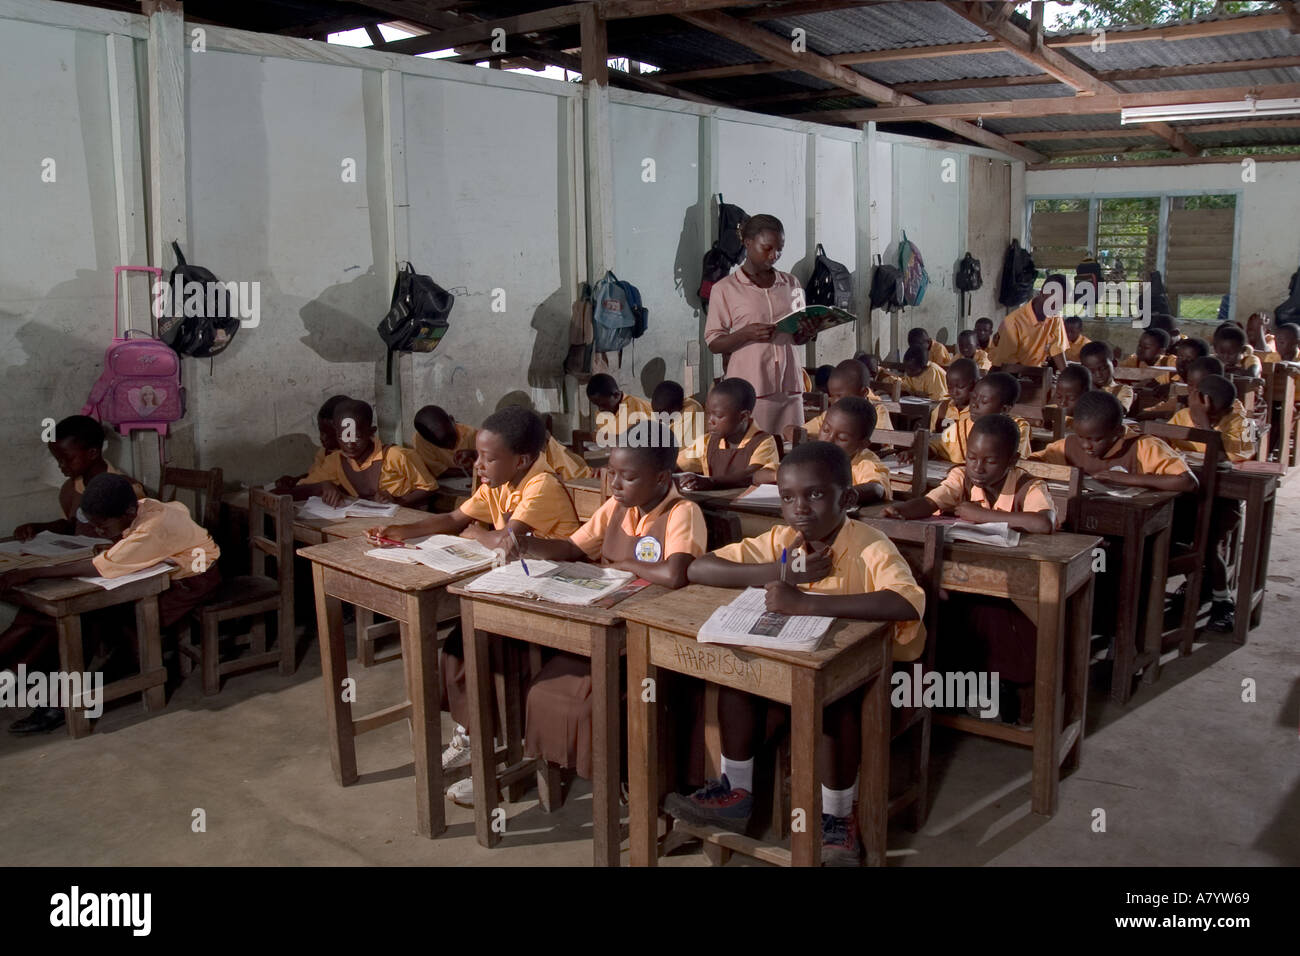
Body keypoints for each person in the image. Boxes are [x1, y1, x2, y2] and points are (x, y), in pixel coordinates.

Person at [670, 441, 924, 865]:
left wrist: (808, 604)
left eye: (815, 495)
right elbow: (699, 568)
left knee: (836, 704)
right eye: (788, 497)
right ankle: (737, 793)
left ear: (846, 498)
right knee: (738, 677)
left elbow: (906, 602)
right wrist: (780, 571)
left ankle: (838, 820)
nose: (799, 508)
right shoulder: (784, 541)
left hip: (868, 683)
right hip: (790, 674)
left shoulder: (869, 544)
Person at [370, 405, 580, 805]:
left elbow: (508, 542)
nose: (478, 465)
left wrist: (481, 534)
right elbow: (453, 519)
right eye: (479, 455)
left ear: (520, 459)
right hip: (516, 595)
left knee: (486, 655)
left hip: (555, 603)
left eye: (488, 457)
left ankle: (496, 759)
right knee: (456, 648)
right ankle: (474, 738)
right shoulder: (500, 484)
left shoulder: (541, 485)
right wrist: (400, 530)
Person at [515, 419, 706, 781]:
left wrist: (623, 564)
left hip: (650, 640)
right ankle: (576, 767)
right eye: (611, 473)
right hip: (607, 625)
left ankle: (621, 777)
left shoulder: (681, 512)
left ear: (662, 479)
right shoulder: (616, 508)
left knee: (592, 705)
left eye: (627, 477)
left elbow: (675, 574)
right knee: (543, 689)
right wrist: (526, 545)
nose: (615, 485)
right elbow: (572, 547)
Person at [0, 474, 222, 734]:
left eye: (103, 526)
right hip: (172, 574)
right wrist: (118, 543)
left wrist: (32, 572)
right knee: (93, 618)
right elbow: (157, 524)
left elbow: (100, 567)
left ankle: (66, 700)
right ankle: (63, 689)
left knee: (106, 622)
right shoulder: (143, 507)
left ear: (128, 510)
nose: (98, 532)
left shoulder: (154, 525)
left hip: (194, 582)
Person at [885, 415, 1057, 724]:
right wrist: (899, 512)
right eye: (972, 457)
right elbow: (931, 501)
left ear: (1012, 460)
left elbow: (1043, 522)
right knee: (940, 604)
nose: (977, 467)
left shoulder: (1027, 485)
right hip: (965, 574)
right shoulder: (962, 477)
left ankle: (1006, 688)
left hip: (1013, 584)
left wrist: (980, 515)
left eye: (989, 461)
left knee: (998, 616)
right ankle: (949, 692)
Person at [703, 214, 813, 436]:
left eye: (780, 249)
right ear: (748, 243)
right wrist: (745, 333)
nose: (775, 255)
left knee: (794, 451)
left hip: (789, 384)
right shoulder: (726, 288)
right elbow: (714, 343)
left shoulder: (791, 283)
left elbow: (798, 337)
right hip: (751, 388)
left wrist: (807, 332)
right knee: (756, 453)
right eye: (767, 248)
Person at [1031, 391, 1196, 494]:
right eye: (1081, 436)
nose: (1086, 445)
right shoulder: (1067, 446)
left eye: (1097, 440)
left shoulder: (1144, 446)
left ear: (1118, 431)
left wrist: (1126, 478)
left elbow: (1188, 482)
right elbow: (1030, 463)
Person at [13, 415, 144, 542]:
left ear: (92, 453)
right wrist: (38, 528)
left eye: (67, 459)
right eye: (58, 459)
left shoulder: (127, 489)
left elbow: (142, 533)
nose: (61, 465)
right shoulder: (69, 489)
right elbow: (72, 526)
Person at [292, 399, 437, 508]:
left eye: (357, 438)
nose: (349, 445)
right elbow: (297, 490)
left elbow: (430, 487)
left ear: (371, 432)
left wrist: (398, 500)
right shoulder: (336, 460)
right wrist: (323, 486)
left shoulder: (397, 456)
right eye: (343, 438)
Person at [676, 378, 780, 490]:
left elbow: (752, 475)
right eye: (708, 414)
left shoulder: (763, 442)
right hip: (715, 505)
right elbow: (676, 464)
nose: (710, 421)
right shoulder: (707, 442)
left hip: (749, 505)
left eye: (718, 416)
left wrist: (710, 481)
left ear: (743, 416)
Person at [816, 396, 891, 504]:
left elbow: (877, 488)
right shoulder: (812, 454)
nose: (829, 440)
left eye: (842, 438)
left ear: (862, 444)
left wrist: (840, 496)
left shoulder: (865, 462)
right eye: (826, 430)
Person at [988, 274, 1069, 373]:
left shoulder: (1055, 317)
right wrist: (1039, 374)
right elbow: (1005, 365)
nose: (1060, 308)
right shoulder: (1013, 322)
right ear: (1043, 293)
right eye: (1057, 302)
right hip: (1004, 374)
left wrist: (1067, 375)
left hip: (1032, 372)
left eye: (1063, 303)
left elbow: (1057, 349)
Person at [275, 394, 348, 490]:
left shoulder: (344, 457)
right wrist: (295, 480)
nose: (322, 437)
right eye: (321, 431)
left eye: (329, 434)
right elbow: (315, 474)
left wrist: (280, 492)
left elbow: (311, 486)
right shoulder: (324, 451)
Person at [411, 404, 478, 478]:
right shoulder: (421, 442)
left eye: (451, 437)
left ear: (452, 420)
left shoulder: (471, 434)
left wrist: (474, 453)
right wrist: (468, 473)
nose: (450, 445)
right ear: (426, 440)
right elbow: (438, 472)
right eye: (441, 444)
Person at [1080, 341, 1135, 414]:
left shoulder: (1123, 390)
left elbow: (1120, 411)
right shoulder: (1081, 389)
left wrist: (1095, 391)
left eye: (1103, 368)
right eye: (1091, 371)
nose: (1098, 375)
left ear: (1114, 363)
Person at [651, 380, 704, 451]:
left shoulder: (692, 411)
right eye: (656, 413)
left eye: (663, 416)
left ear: (678, 408)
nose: (658, 419)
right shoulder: (666, 407)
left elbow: (672, 451)